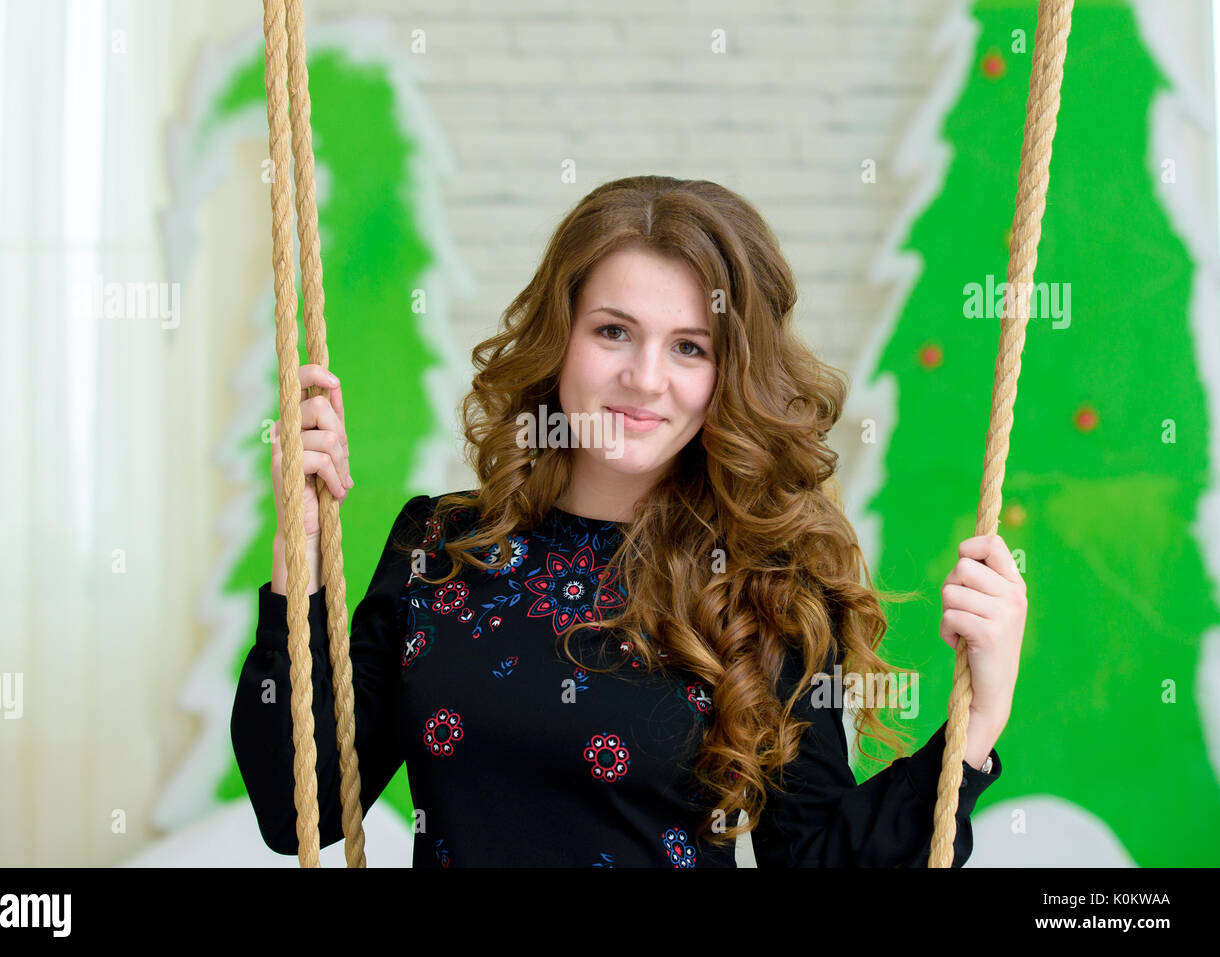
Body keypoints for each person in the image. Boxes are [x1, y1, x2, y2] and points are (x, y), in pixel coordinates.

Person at [231, 175, 1024, 867]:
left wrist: (977, 724)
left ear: (730, 376)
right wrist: (294, 553)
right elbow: (295, 805)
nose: (644, 380)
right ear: (560, 339)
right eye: (613, 331)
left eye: (690, 348)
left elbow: (814, 858)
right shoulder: (440, 548)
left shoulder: (760, 589)